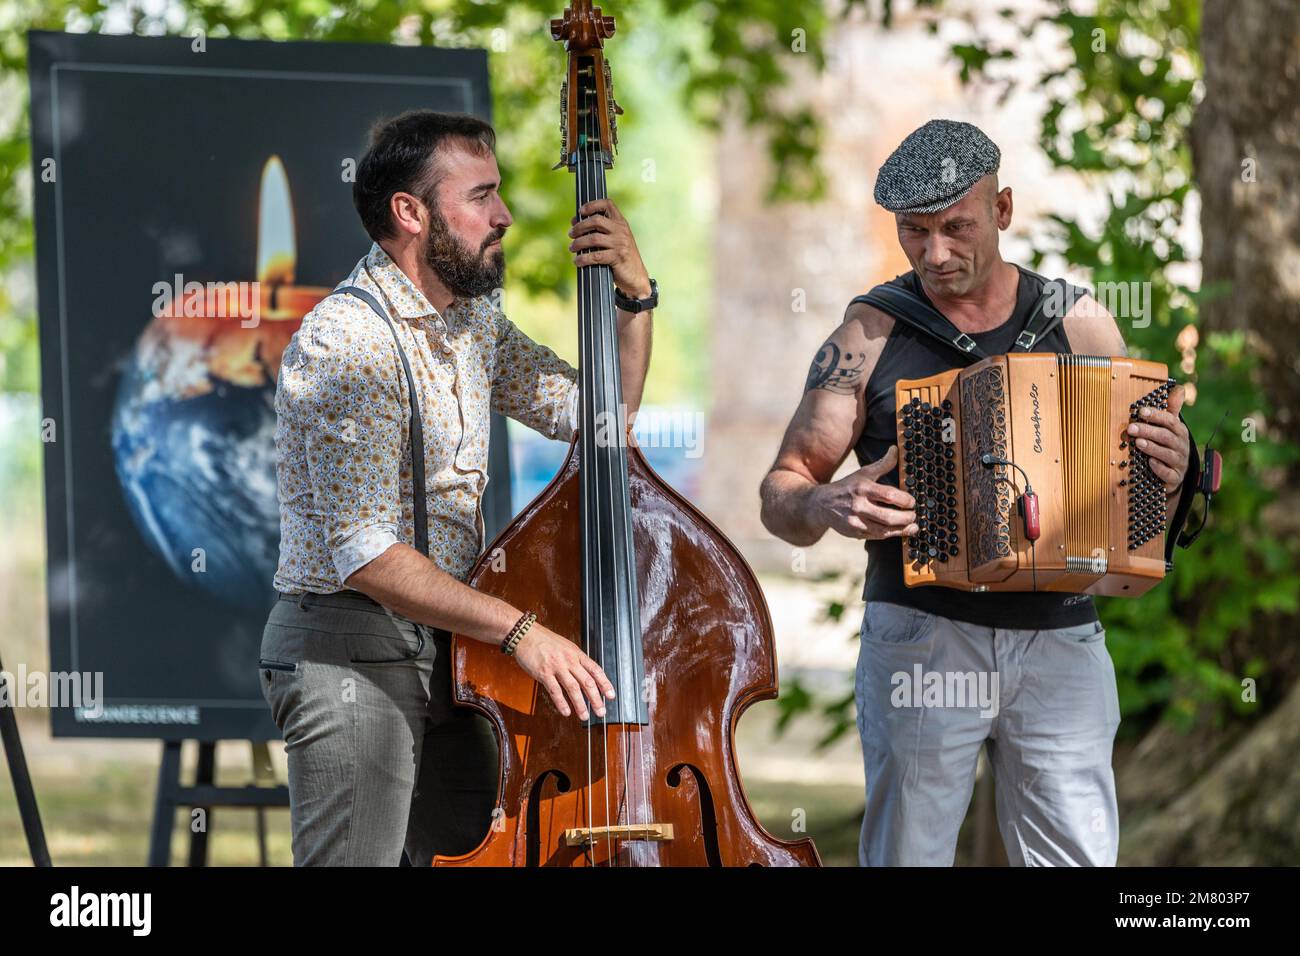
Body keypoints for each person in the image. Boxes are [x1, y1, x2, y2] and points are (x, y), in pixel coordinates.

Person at [759, 119, 1195, 866]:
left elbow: (1134, 492)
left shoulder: (1080, 322)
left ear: (1003, 210)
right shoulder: (868, 333)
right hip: (924, 636)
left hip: (1061, 639)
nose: (935, 254)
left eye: (956, 227)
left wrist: (1176, 467)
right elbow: (782, 491)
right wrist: (822, 505)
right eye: (914, 232)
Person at [259, 110, 659, 866]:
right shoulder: (348, 341)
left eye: (498, 193)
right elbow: (368, 555)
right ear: (409, 213)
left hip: (451, 648)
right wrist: (520, 631)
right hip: (350, 646)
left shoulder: (471, 318)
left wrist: (634, 300)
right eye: (481, 197)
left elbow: (600, 421)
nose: (503, 215)